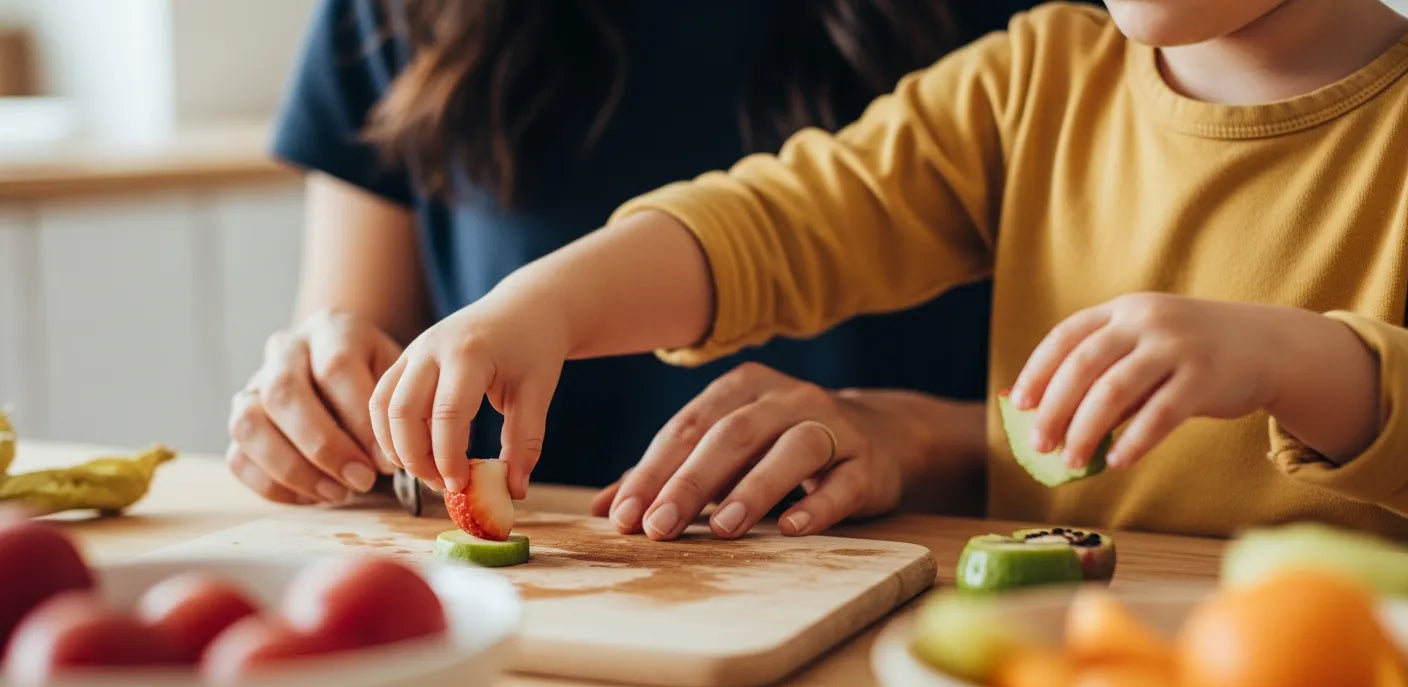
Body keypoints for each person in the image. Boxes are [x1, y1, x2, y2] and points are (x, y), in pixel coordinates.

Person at [370, 0, 1408, 542]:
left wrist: (1305, 363)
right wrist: (541, 304)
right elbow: (791, 216)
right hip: (1056, 686)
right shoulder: (1034, 76)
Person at [226, 0, 1049, 506]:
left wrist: (913, 437)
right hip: (535, 636)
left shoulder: (1079, 36)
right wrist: (322, 408)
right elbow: (358, 351)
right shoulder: (395, 15)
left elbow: (1119, 430)